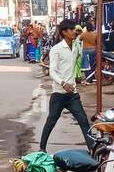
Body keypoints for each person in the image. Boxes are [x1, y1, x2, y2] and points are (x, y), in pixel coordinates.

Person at [38, 19, 90, 151]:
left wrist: (79, 36)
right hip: (59, 94)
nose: (74, 32)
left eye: (74, 30)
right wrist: (63, 83)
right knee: (51, 122)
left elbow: (79, 56)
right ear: (64, 32)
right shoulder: (57, 49)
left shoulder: (76, 46)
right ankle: (42, 149)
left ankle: (92, 149)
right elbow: (52, 71)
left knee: (84, 121)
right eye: (71, 30)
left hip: (72, 94)